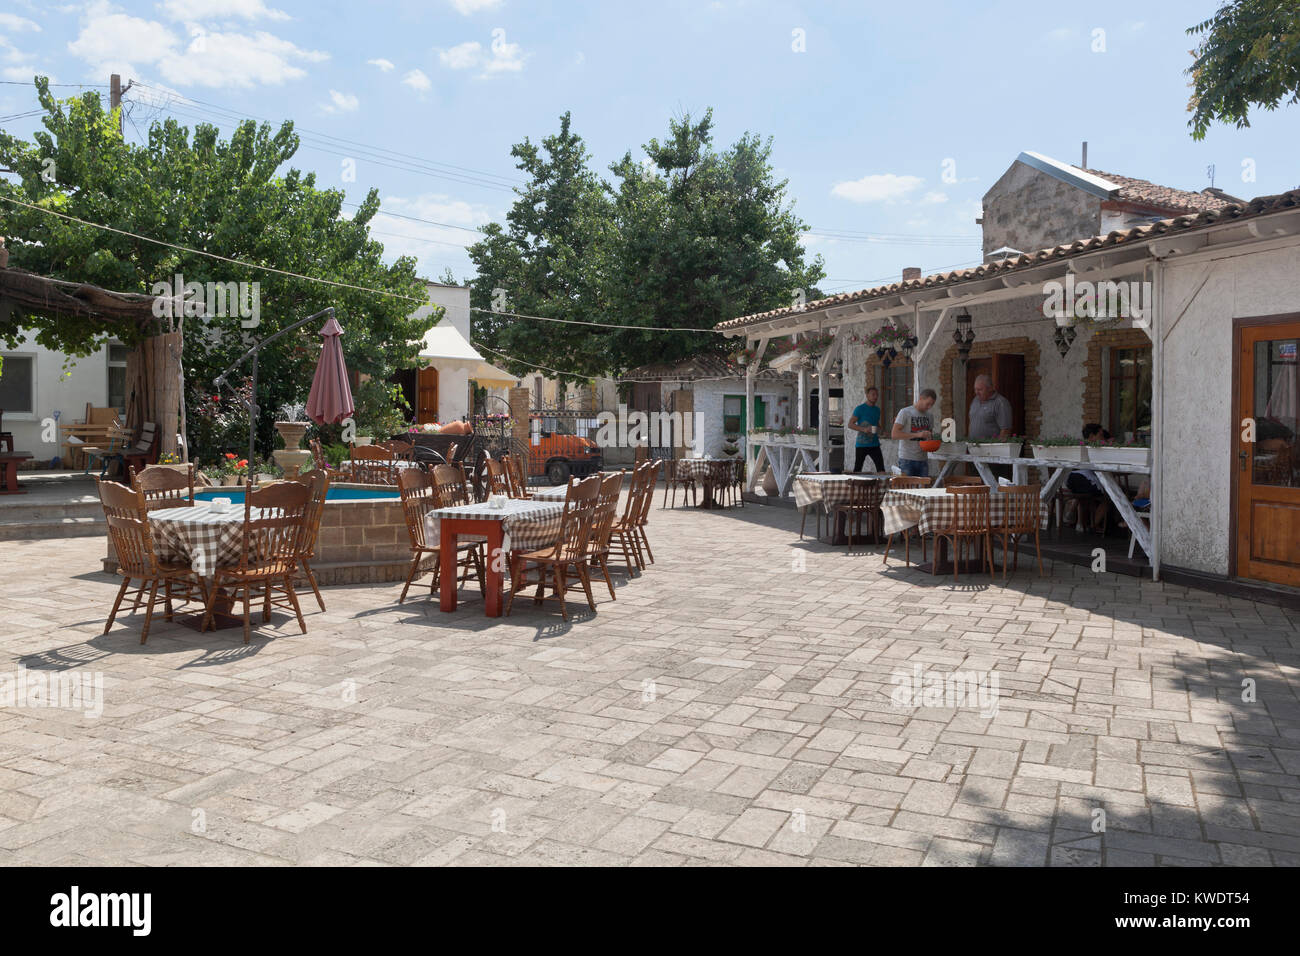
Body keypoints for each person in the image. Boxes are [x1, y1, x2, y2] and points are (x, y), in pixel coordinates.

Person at [1063, 423, 1111, 532]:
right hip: (1085, 480)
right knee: (1108, 498)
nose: (1102, 438)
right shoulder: (1095, 449)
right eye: (1100, 435)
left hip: (1071, 479)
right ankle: (1093, 525)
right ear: (1091, 436)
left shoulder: (1081, 447)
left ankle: (1078, 521)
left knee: (1082, 496)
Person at [890, 388, 938, 478]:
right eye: (928, 404)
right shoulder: (905, 412)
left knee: (923, 491)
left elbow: (929, 436)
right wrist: (917, 435)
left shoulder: (930, 416)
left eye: (932, 405)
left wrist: (931, 439)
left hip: (923, 459)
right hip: (907, 459)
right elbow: (894, 434)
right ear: (921, 398)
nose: (929, 407)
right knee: (907, 490)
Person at [848, 386, 884, 473]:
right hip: (861, 444)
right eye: (873, 394)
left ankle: (882, 486)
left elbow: (876, 424)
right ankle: (855, 486)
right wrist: (864, 429)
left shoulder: (877, 410)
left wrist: (882, 431)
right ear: (867, 395)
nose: (875, 397)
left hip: (875, 444)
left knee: (881, 469)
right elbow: (850, 424)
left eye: (877, 395)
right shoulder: (860, 409)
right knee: (857, 469)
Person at [968, 374, 1013, 440]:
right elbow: (972, 422)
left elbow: (1006, 430)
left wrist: (997, 448)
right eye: (975, 389)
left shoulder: (1000, 403)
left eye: (980, 389)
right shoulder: (975, 400)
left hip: (991, 448)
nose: (976, 392)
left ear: (990, 388)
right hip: (973, 447)